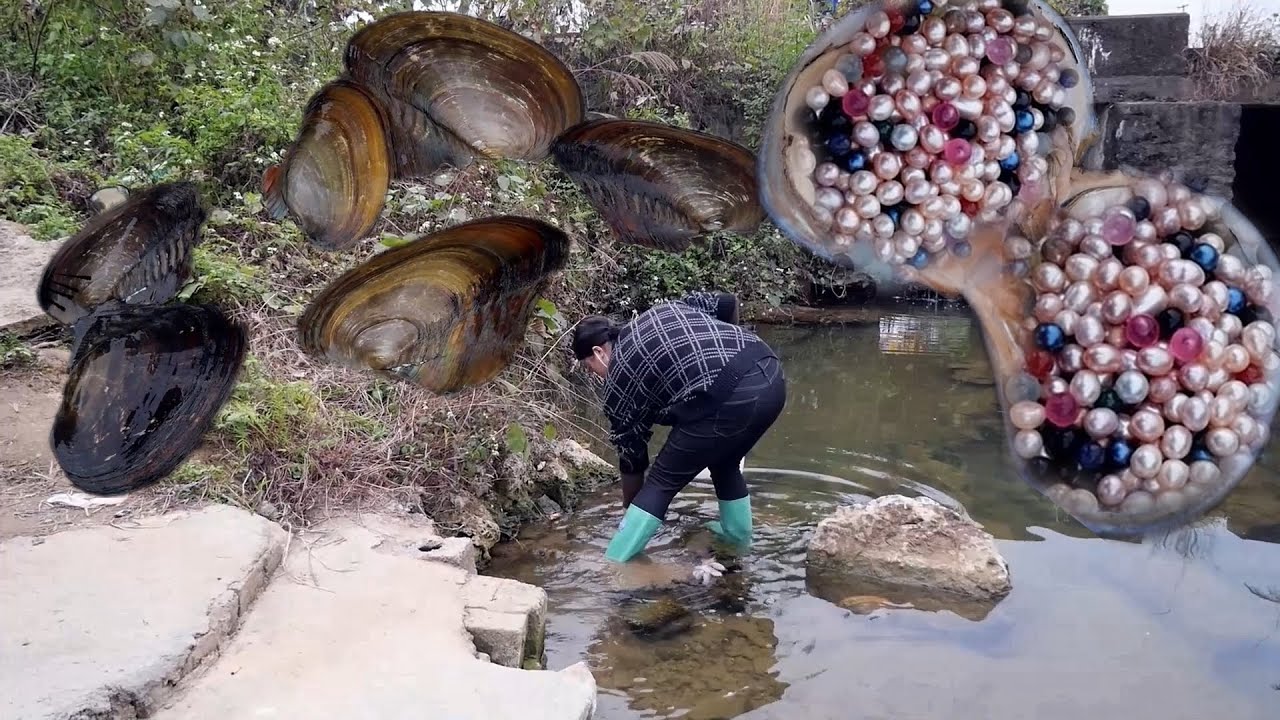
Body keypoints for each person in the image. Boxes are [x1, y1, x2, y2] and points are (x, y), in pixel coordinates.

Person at [572, 291, 787, 564]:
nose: (594, 374)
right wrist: (725, 359)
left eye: (589, 367)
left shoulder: (619, 379)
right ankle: (737, 540)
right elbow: (727, 303)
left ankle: (615, 564)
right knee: (725, 461)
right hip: (770, 376)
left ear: (598, 352)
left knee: (661, 482)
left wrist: (631, 508)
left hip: (727, 399)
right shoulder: (664, 310)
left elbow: (632, 459)